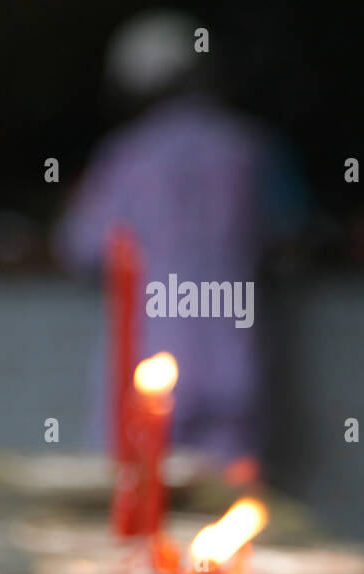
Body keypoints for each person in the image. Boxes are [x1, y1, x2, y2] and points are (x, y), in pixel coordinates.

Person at [54, 10, 308, 465]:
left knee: (136, 506)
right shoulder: (251, 151)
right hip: (234, 357)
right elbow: (290, 239)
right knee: (229, 510)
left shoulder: (128, 155)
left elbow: (81, 247)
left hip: (149, 355)